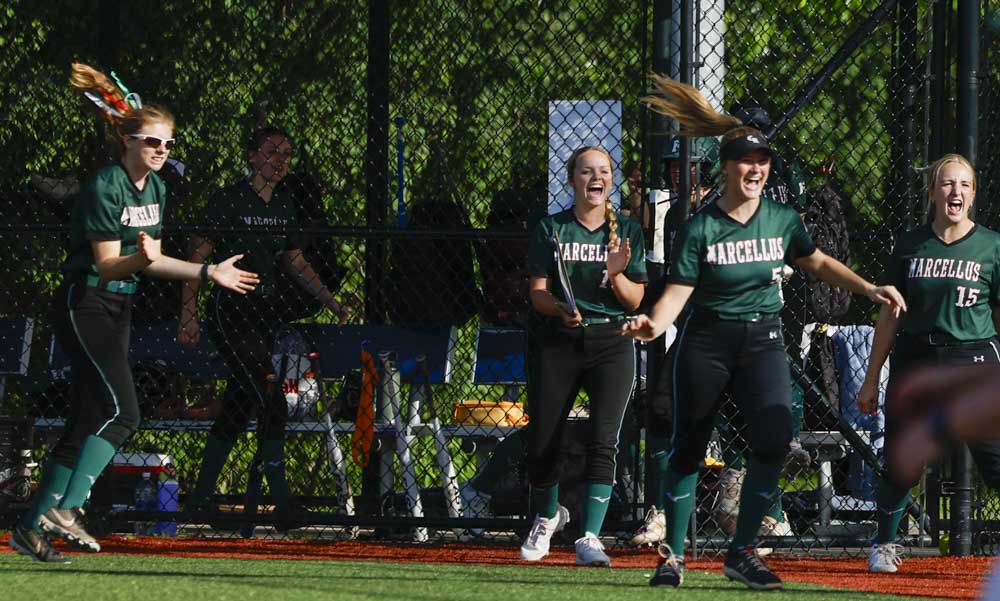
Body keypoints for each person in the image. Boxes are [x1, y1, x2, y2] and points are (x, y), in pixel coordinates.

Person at [623, 74, 906, 590]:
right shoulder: (702, 227)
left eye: (763, 161)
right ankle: (673, 557)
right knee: (687, 447)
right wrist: (652, 322)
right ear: (726, 167)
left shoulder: (781, 218)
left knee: (774, 440)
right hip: (708, 341)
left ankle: (742, 551)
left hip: (762, 340)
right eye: (746, 161)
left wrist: (868, 288)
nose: (755, 169)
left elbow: (815, 261)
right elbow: (678, 294)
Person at [9, 63, 258, 563]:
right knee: (125, 413)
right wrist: (141, 258)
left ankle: (29, 529)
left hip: (120, 304)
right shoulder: (105, 186)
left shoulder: (158, 189)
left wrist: (208, 273)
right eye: (151, 142)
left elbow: (156, 258)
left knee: (85, 422)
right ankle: (68, 508)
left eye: (167, 144)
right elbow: (107, 263)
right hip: (88, 302)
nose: (161, 151)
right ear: (126, 141)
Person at [179, 126, 348, 517]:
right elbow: (196, 255)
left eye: (287, 154)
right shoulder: (229, 200)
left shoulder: (284, 204)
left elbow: (295, 260)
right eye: (273, 152)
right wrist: (188, 311)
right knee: (272, 398)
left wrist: (331, 301)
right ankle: (283, 504)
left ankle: (200, 500)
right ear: (252, 157)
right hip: (231, 312)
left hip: (263, 314)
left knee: (239, 406)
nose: (280, 161)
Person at [855, 154, 1000, 574]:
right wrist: (869, 381)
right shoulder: (911, 244)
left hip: (972, 359)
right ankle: (884, 543)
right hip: (917, 358)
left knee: (995, 458)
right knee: (903, 459)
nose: (956, 192)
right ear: (933, 192)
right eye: (947, 184)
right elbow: (889, 314)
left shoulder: (991, 246)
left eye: (964, 185)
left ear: (973, 194)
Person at [518, 145, 647, 567]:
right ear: (572, 179)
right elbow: (538, 293)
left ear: (612, 180)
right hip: (561, 341)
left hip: (611, 342)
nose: (597, 178)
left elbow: (635, 299)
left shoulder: (626, 230)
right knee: (542, 441)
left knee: (604, 439)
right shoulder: (550, 228)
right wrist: (560, 308)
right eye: (587, 171)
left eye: (605, 171)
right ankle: (547, 515)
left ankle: (590, 536)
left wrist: (615, 274)